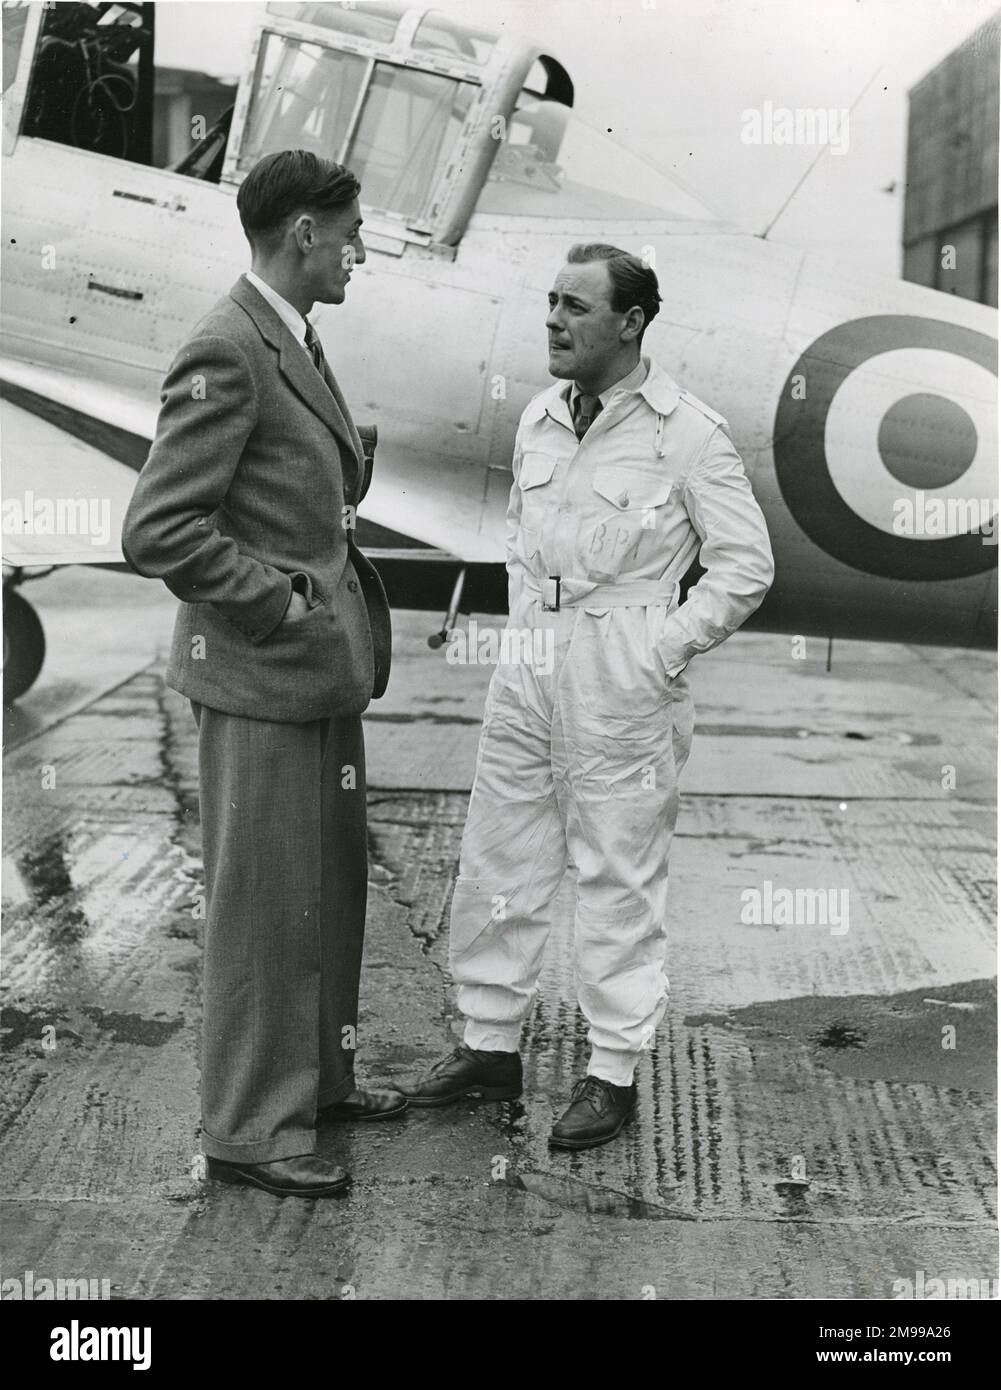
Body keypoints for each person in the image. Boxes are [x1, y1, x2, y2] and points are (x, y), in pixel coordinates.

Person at [398, 243, 775, 1150]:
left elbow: (745, 566)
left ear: (631, 323)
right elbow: (528, 538)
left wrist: (663, 650)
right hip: (531, 656)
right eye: (550, 302)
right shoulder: (538, 417)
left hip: (624, 667)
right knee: (499, 859)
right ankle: (490, 1043)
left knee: (616, 876)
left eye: (574, 306)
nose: (552, 321)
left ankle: (612, 1070)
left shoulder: (688, 433)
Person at [122, 150, 405, 1199]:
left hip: (318, 672)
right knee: (262, 908)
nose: (359, 252)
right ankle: (246, 1127)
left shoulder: (292, 338)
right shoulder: (226, 348)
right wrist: (271, 598)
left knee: (324, 897)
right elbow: (158, 527)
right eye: (350, 236)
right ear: (302, 235)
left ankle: (316, 1085)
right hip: (261, 671)